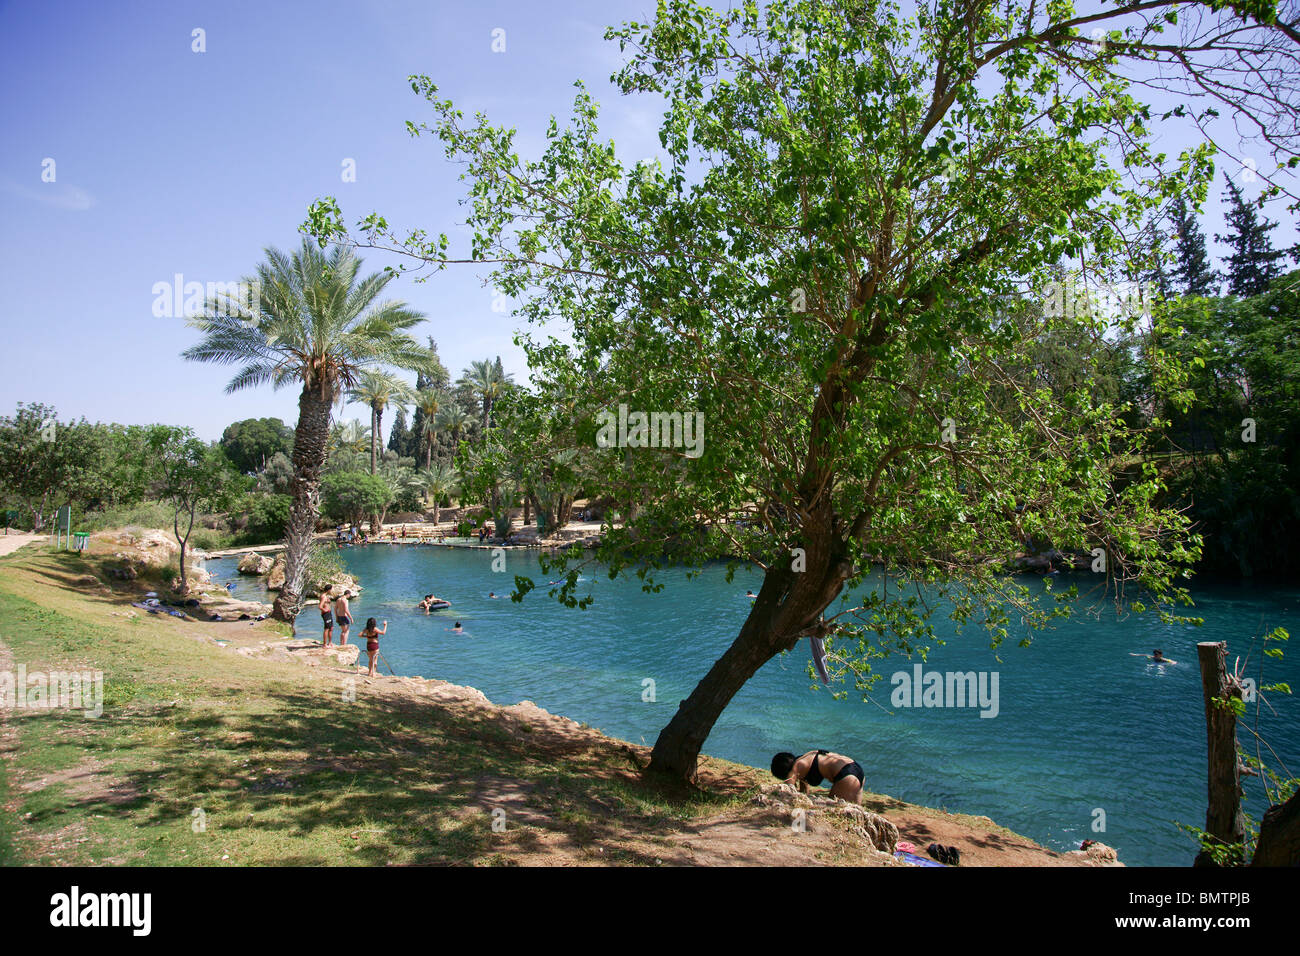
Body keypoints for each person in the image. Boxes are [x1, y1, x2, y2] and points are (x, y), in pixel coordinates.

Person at [771, 749, 865, 804]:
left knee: (831, 812)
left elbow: (787, 792)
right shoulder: (803, 762)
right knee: (855, 815)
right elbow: (804, 793)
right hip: (856, 769)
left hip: (847, 776)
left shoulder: (796, 768)